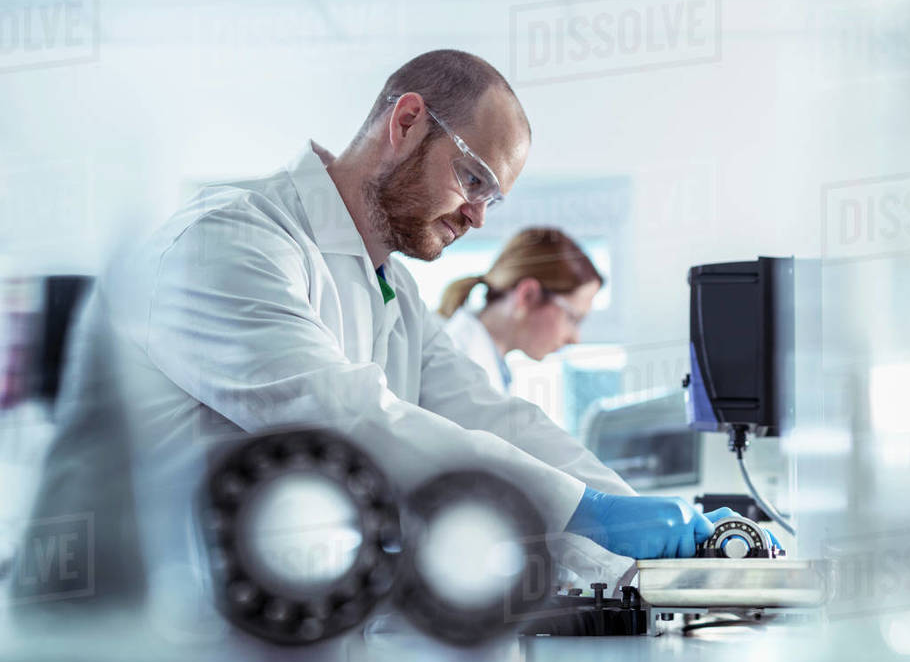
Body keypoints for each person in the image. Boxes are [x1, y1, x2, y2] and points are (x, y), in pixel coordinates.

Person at [19, 50, 731, 619]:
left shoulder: (391, 289)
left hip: (255, 635)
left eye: (493, 198)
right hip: (109, 645)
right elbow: (346, 421)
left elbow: (491, 417)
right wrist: (582, 512)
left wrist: (652, 536)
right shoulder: (227, 242)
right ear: (408, 122)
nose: (479, 217)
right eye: (473, 179)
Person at [438, 227, 601, 394]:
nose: (575, 339)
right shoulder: (458, 368)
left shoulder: (487, 364)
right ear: (528, 295)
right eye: (573, 319)